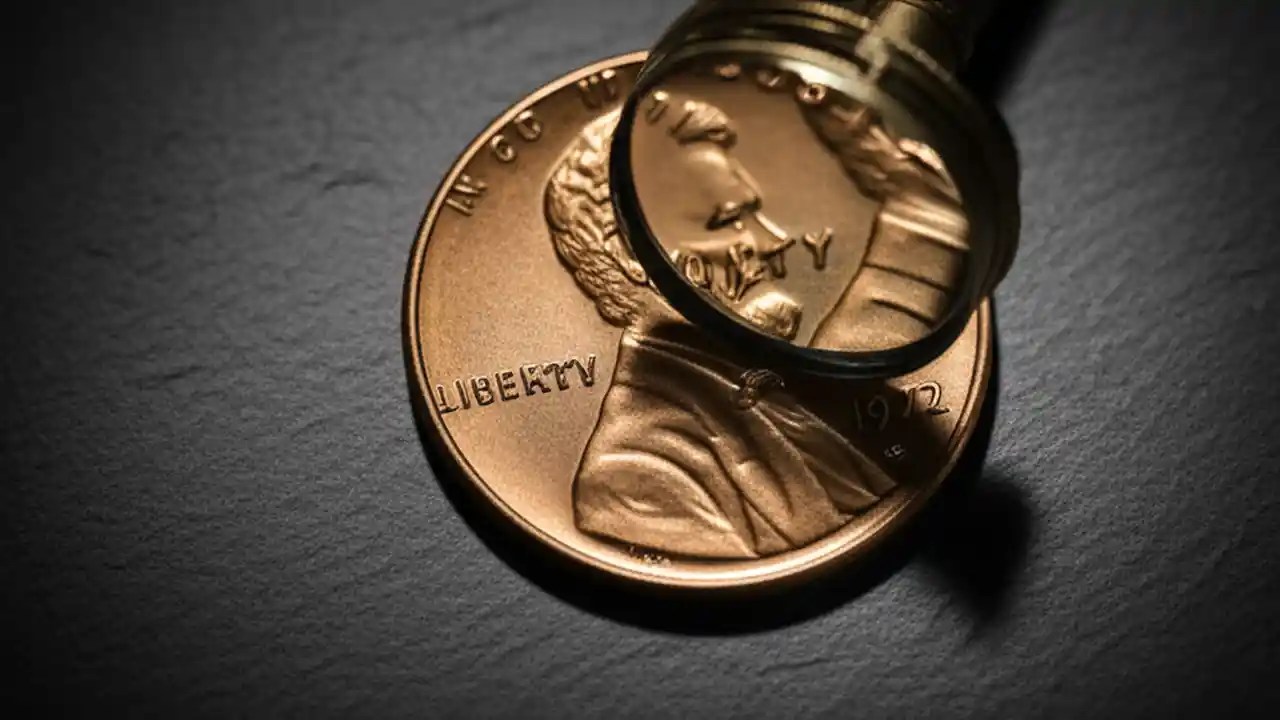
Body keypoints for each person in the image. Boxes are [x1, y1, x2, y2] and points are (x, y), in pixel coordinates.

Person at [545, 107, 895, 560]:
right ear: (630, 254)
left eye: (756, 214)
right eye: (728, 220)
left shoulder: (771, 390)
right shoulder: (634, 475)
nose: (775, 241)